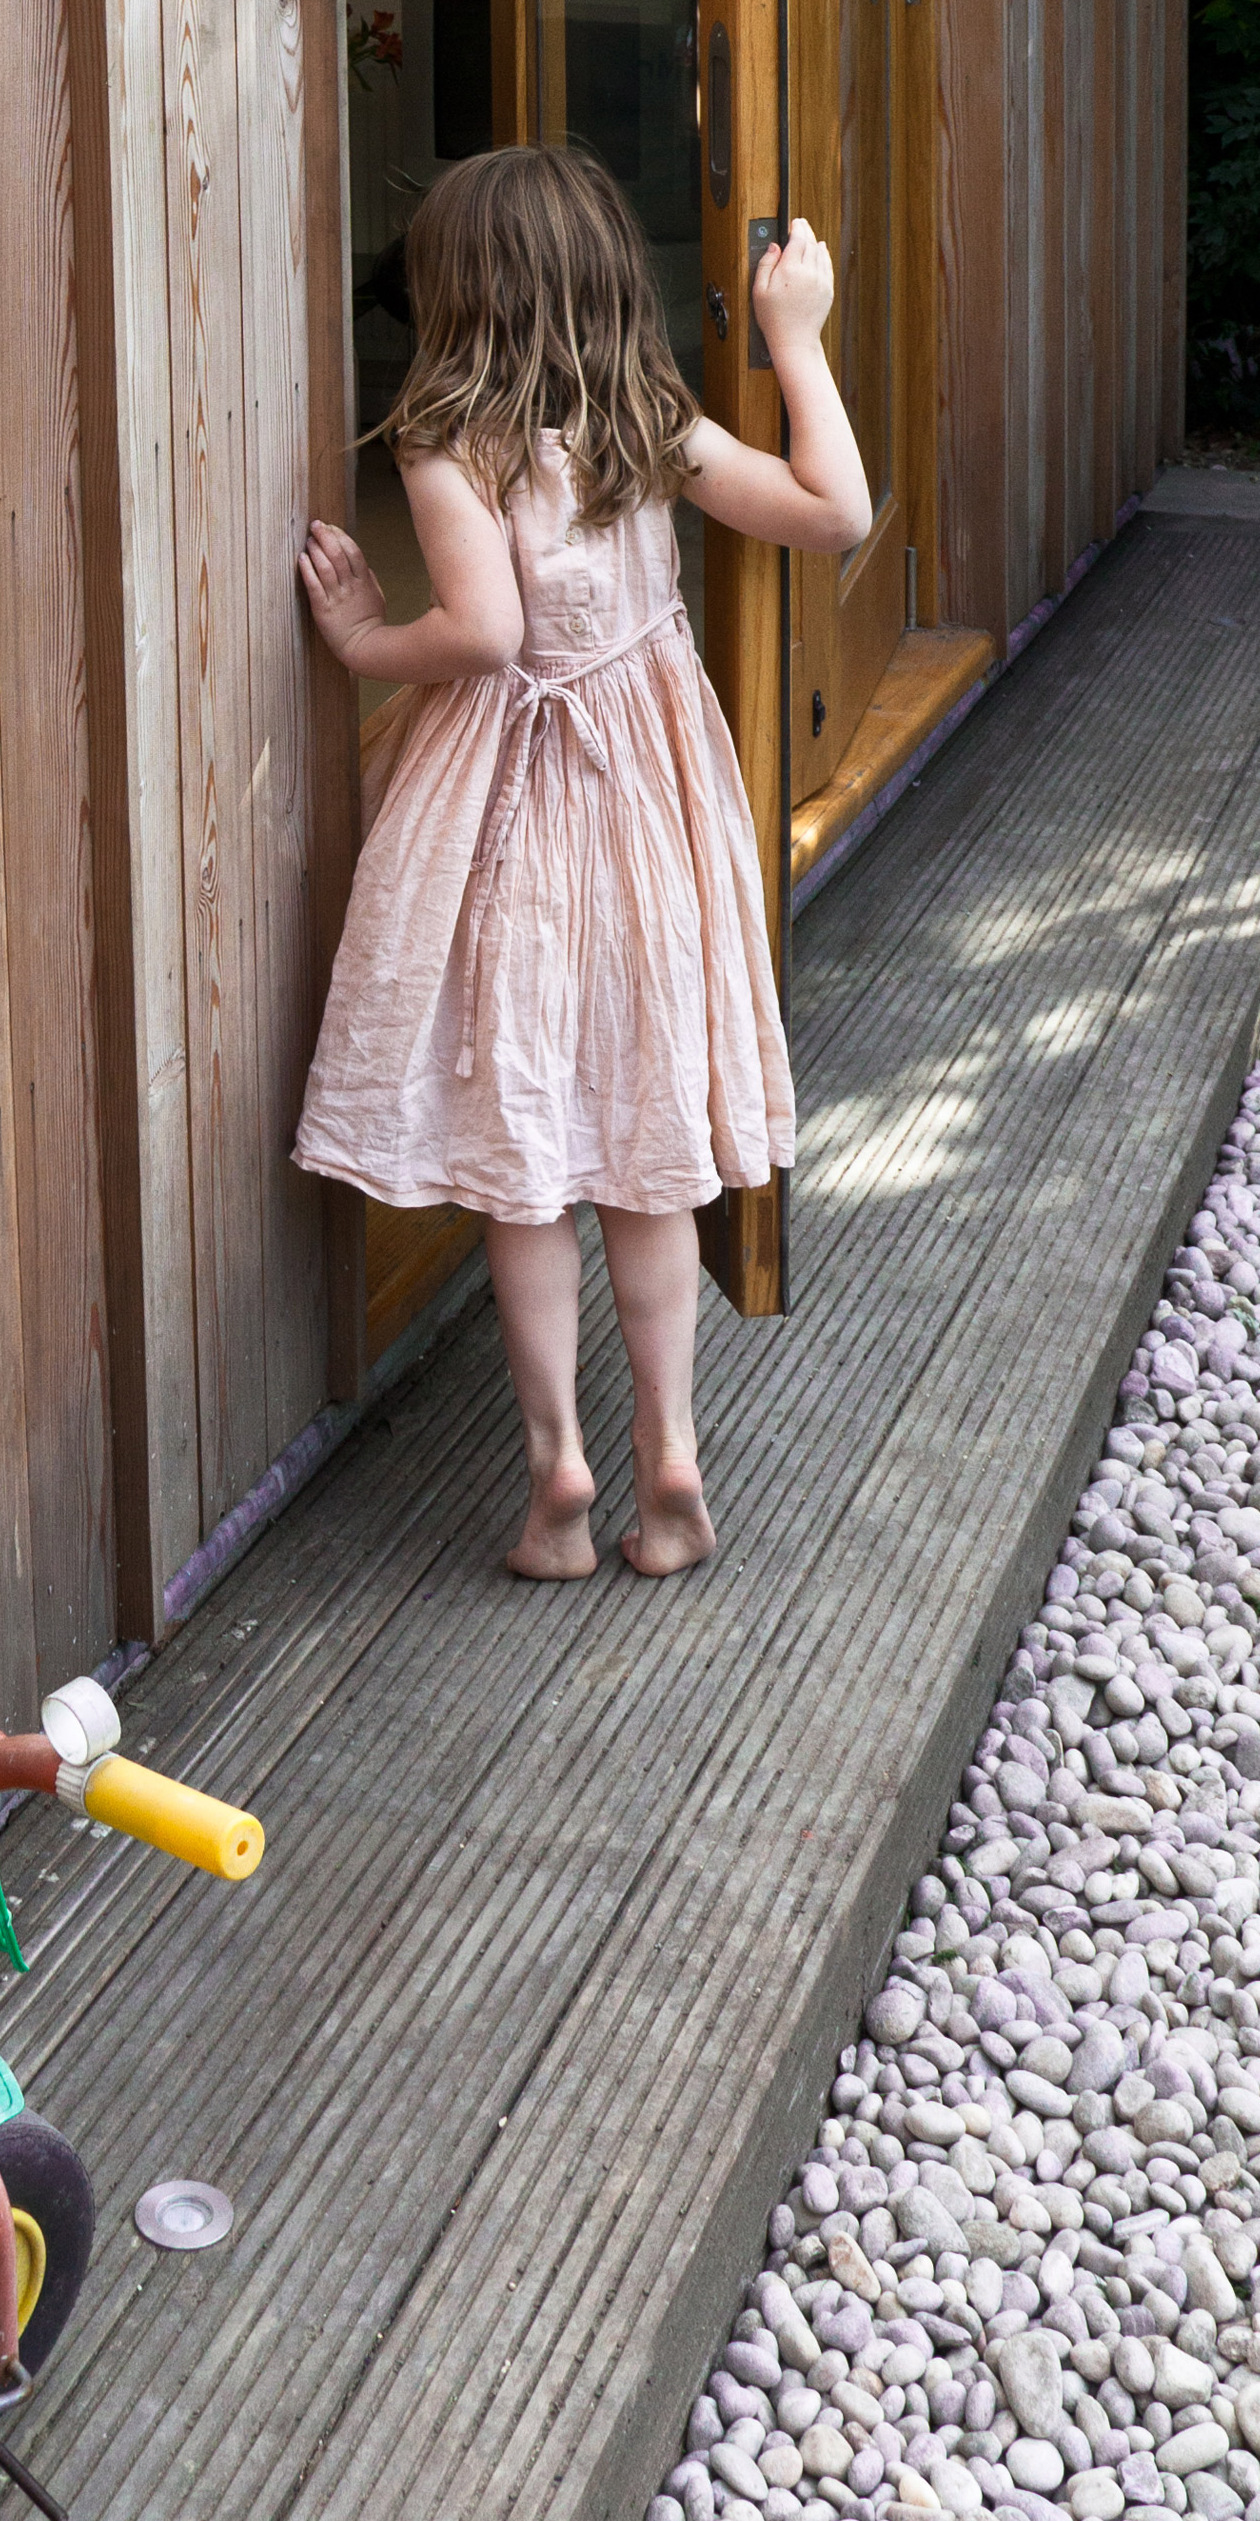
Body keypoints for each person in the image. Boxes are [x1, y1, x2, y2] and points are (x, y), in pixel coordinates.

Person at [292, 144, 869, 1581]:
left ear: (450, 295)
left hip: (509, 822)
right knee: (650, 1156)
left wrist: (367, 643)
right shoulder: (650, 422)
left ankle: (558, 1463)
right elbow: (835, 514)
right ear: (610, 283)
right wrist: (797, 340)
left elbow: (482, 636)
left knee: (528, 1162)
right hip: (652, 817)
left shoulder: (444, 443)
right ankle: (670, 1452)